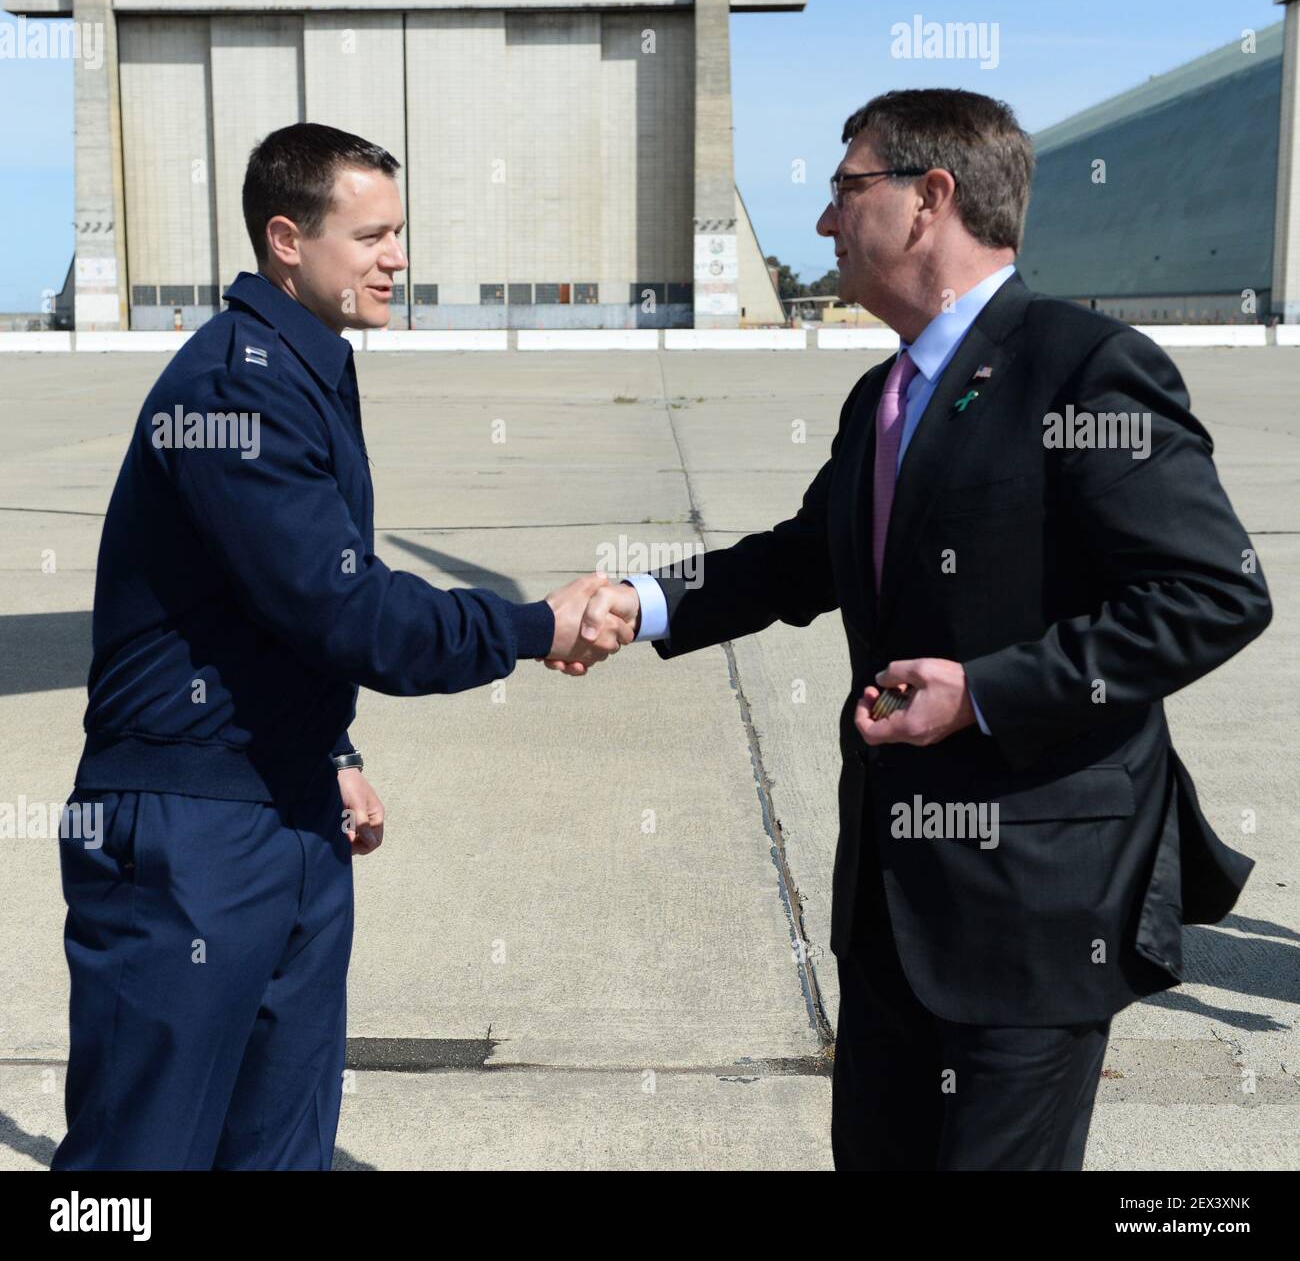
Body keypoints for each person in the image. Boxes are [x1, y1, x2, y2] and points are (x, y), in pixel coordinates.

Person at [560, 88, 1272, 1170]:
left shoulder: (1083, 368)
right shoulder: (881, 396)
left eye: (846, 190)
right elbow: (804, 556)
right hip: (893, 906)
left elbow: (1213, 588)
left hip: (1034, 904)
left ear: (930, 197)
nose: (825, 223)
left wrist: (986, 690)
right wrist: (642, 599)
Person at [53, 122, 630, 1170]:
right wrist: (533, 623)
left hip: (286, 810)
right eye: (370, 236)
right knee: (140, 1160)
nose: (397, 258)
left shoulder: (305, 367)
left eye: (398, 232)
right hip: (188, 831)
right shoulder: (234, 390)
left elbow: (259, 611)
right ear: (287, 238)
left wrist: (329, 749)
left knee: (281, 1143)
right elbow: (344, 607)